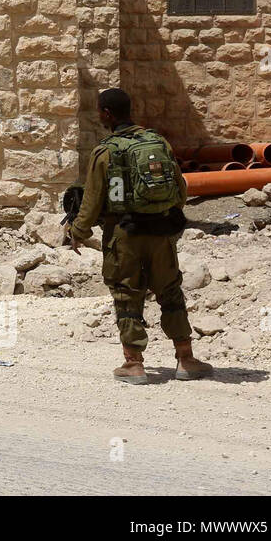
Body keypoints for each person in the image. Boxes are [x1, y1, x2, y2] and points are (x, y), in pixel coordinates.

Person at [66, 88, 212, 385]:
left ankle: (134, 364)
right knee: (170, 292)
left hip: (124, 235)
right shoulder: (158, 142)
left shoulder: (104, 151)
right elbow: (179, 191)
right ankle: (185, 359)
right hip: (161, 233)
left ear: (107, 113)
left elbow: (92, 200)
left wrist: (78, 232)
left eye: (100, 111)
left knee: (126, 295)